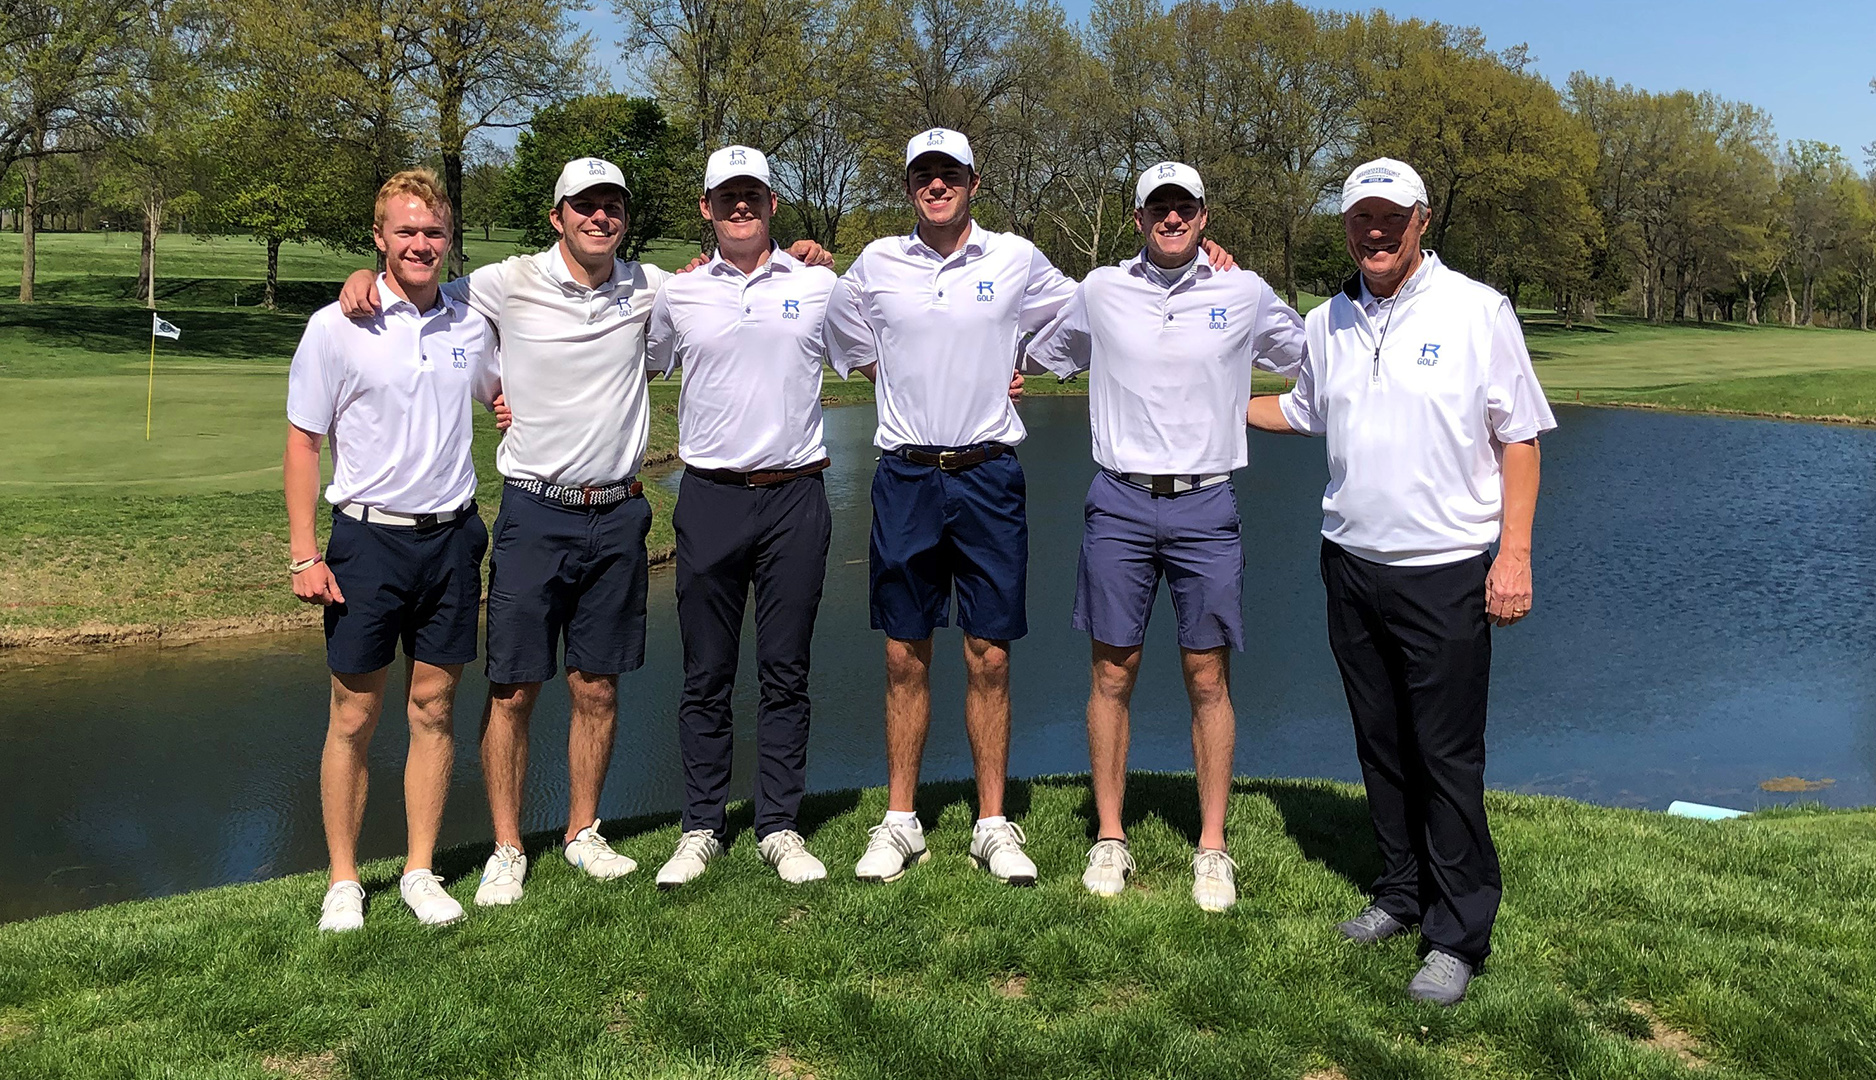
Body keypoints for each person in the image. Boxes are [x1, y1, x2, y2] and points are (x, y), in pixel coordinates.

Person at [337, 159, 833, 906]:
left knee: (597, 686)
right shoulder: (508, 282)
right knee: (513, 688)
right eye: (585, 206)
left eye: (612, 206)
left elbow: (728, 285)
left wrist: (806, 254)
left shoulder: (656, 287)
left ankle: (580, 830)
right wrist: (365, 277)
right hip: (535, 509)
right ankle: (508, 844)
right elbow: (424, 287)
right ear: (557, 214)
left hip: (620, 509)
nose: (600, 218)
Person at [824, 128, 1235, 886]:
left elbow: (1091, 309)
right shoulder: (877, 263)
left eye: (949, 173)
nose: (936, 184)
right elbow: (844, 335)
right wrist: (890, 364)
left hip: (988, 476)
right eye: (924, 174)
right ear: (910, 183)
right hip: (906, 475)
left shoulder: (1014, 258)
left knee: (990, 654)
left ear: (974, 181)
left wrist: (1203, 271)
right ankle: (901, 821)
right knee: (902, 653)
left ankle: (991, 823)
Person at [1247, 157, 1552, 1005]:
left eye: (1390, 217)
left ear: (1421, 220)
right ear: (1345, 226)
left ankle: (1457, 933)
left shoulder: (1476, 310)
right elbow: (1304, 411)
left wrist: (1513, 554)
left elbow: (1519, 438)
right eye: (1359, 218)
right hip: (1350, 562)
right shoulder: (1327, 319)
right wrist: (1207, 397)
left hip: (1447, 569)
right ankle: (1399, 892)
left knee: (1446, 755)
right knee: (1380, 744)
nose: (1374, 232)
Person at [1027, 162, 1304, 912]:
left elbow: (1310, 359)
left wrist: (1248, 412)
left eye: (1184, 207)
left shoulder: (1240, 293)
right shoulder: (1101, 290)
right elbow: (1042, 354)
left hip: (1206, 505)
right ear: (1139, 216)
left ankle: (1212, 847)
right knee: (1112, 674)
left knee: (1207, 677)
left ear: (1204, 216)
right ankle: (1110, 838)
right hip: (1118, 501)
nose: (1172, 218)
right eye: (1159, 207)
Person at [287, 169, 501, 931]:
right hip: (366, 542)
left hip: (450, 540)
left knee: (434, 707)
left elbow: (500, 392)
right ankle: (344, 880)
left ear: (449, 240)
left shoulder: (470, 324)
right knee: (353, 714)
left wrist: (508, 406)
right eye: (405, 231)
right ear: (378, 238)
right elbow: (305, 442)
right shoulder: (337, 324)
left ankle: (419, 868)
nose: (420, 243)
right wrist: (305, 553)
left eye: (433, 231)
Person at [643, 146, 836, 887]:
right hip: (710, 496)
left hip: (795, 496)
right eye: (727, 196)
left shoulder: (818, 284)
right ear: (707, 207)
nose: (740, 207)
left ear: (773, 203)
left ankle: (779, 825)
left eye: (752, 194)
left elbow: (887, 349)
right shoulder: (680, 294)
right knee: (706, 673)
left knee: (785, 671)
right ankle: (701, 826)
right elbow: (636, 362)